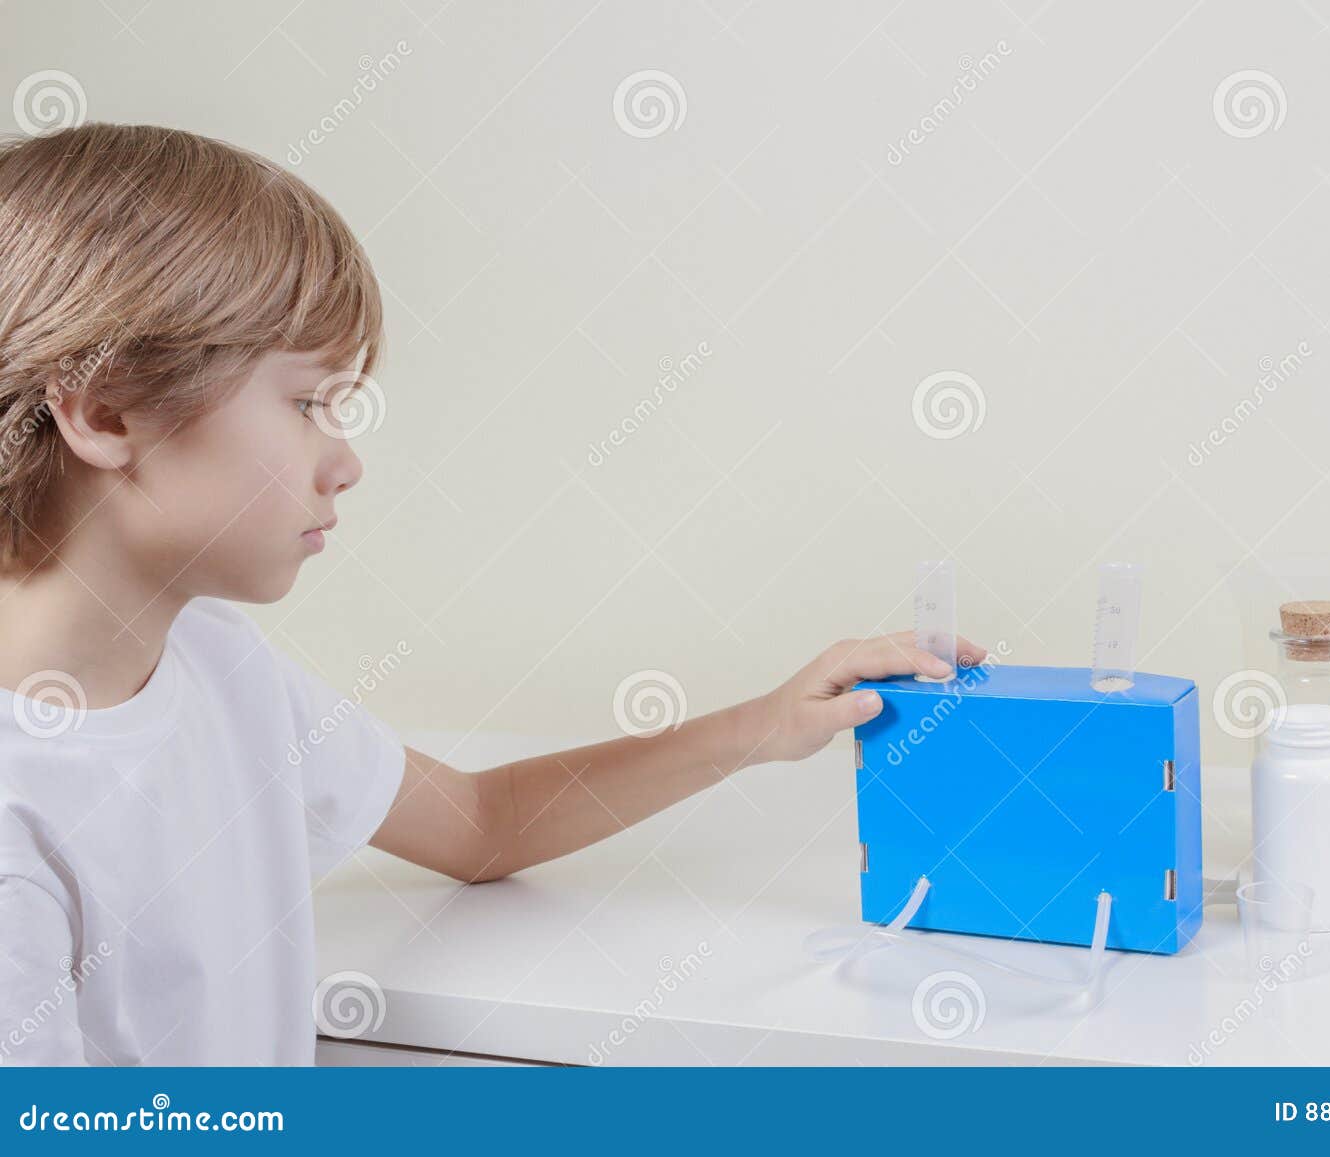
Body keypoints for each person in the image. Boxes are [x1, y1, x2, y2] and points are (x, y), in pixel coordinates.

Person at [0, 123, 985, 1065]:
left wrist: (765, 724)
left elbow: (479, 822)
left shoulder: (215, 665)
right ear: (106, 411)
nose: (345, 463)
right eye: (305, 403)